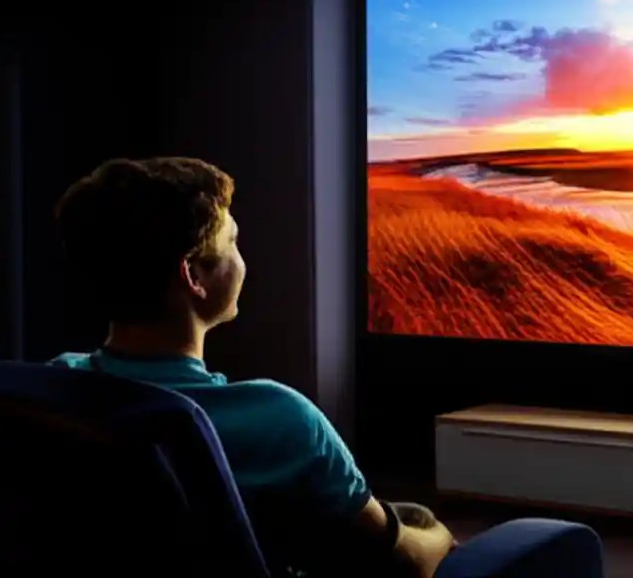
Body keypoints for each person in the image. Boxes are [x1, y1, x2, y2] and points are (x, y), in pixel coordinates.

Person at [49, 157, 454, 578]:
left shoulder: (50, 388)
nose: (243, 261)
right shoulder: (279, 421)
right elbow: (406, 562)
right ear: (193, 275)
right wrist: (443, 537)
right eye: (233, 242)